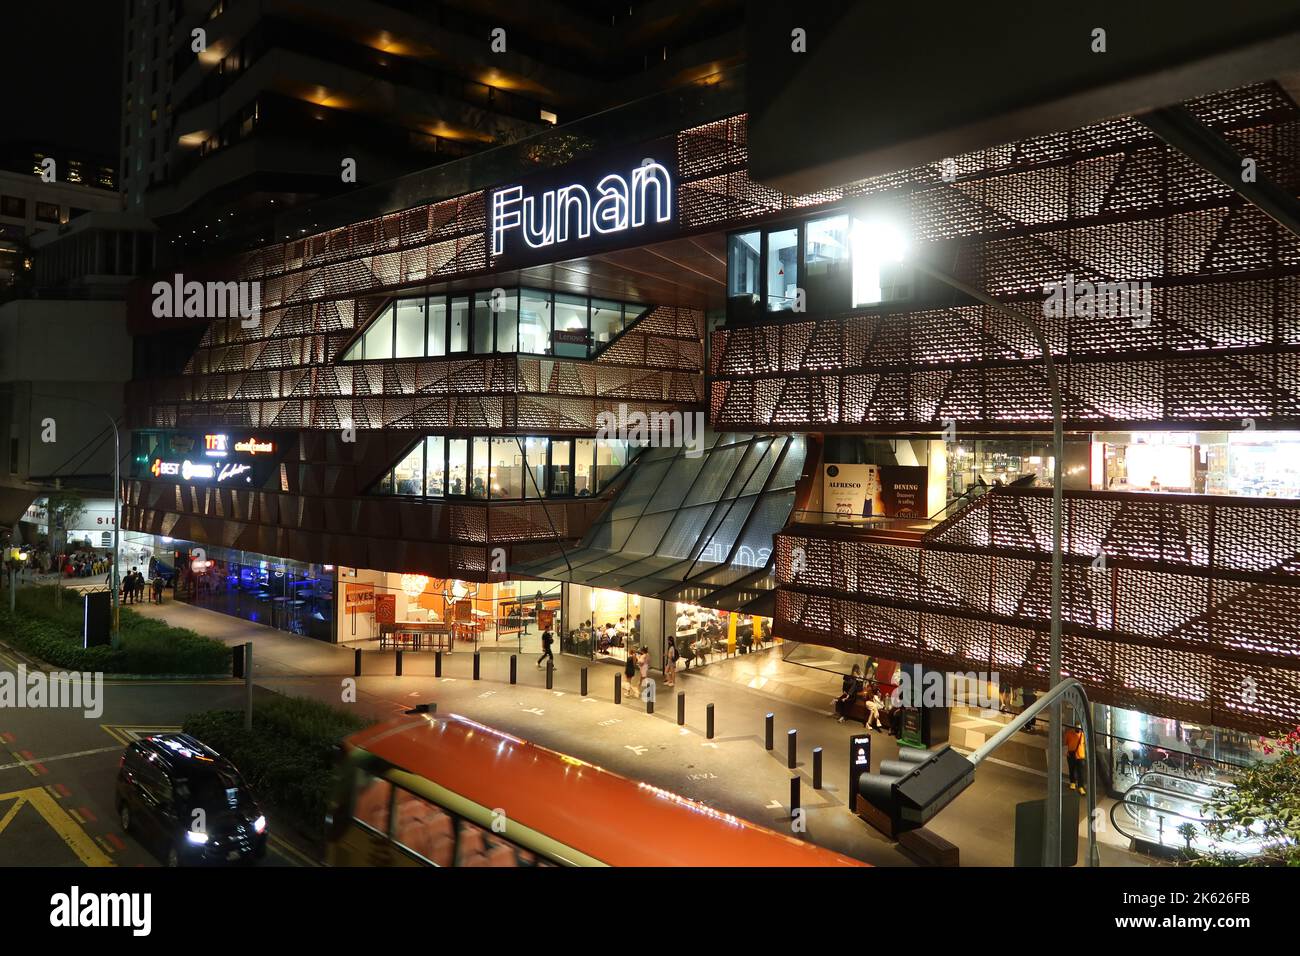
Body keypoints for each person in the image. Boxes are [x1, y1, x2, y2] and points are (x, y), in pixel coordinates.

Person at [1064, 725, 1087, 795]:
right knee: (1072, 769)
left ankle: (1080, 786)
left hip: (1080, 756)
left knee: (1080, 772)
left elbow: (1066, 742)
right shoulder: (1070, 733)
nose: (1079, 730)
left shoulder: (1082, 735)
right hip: (1072, 755)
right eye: (1077, 728)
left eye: (1079, 728)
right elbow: (1066, 742)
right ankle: (1073, 783)